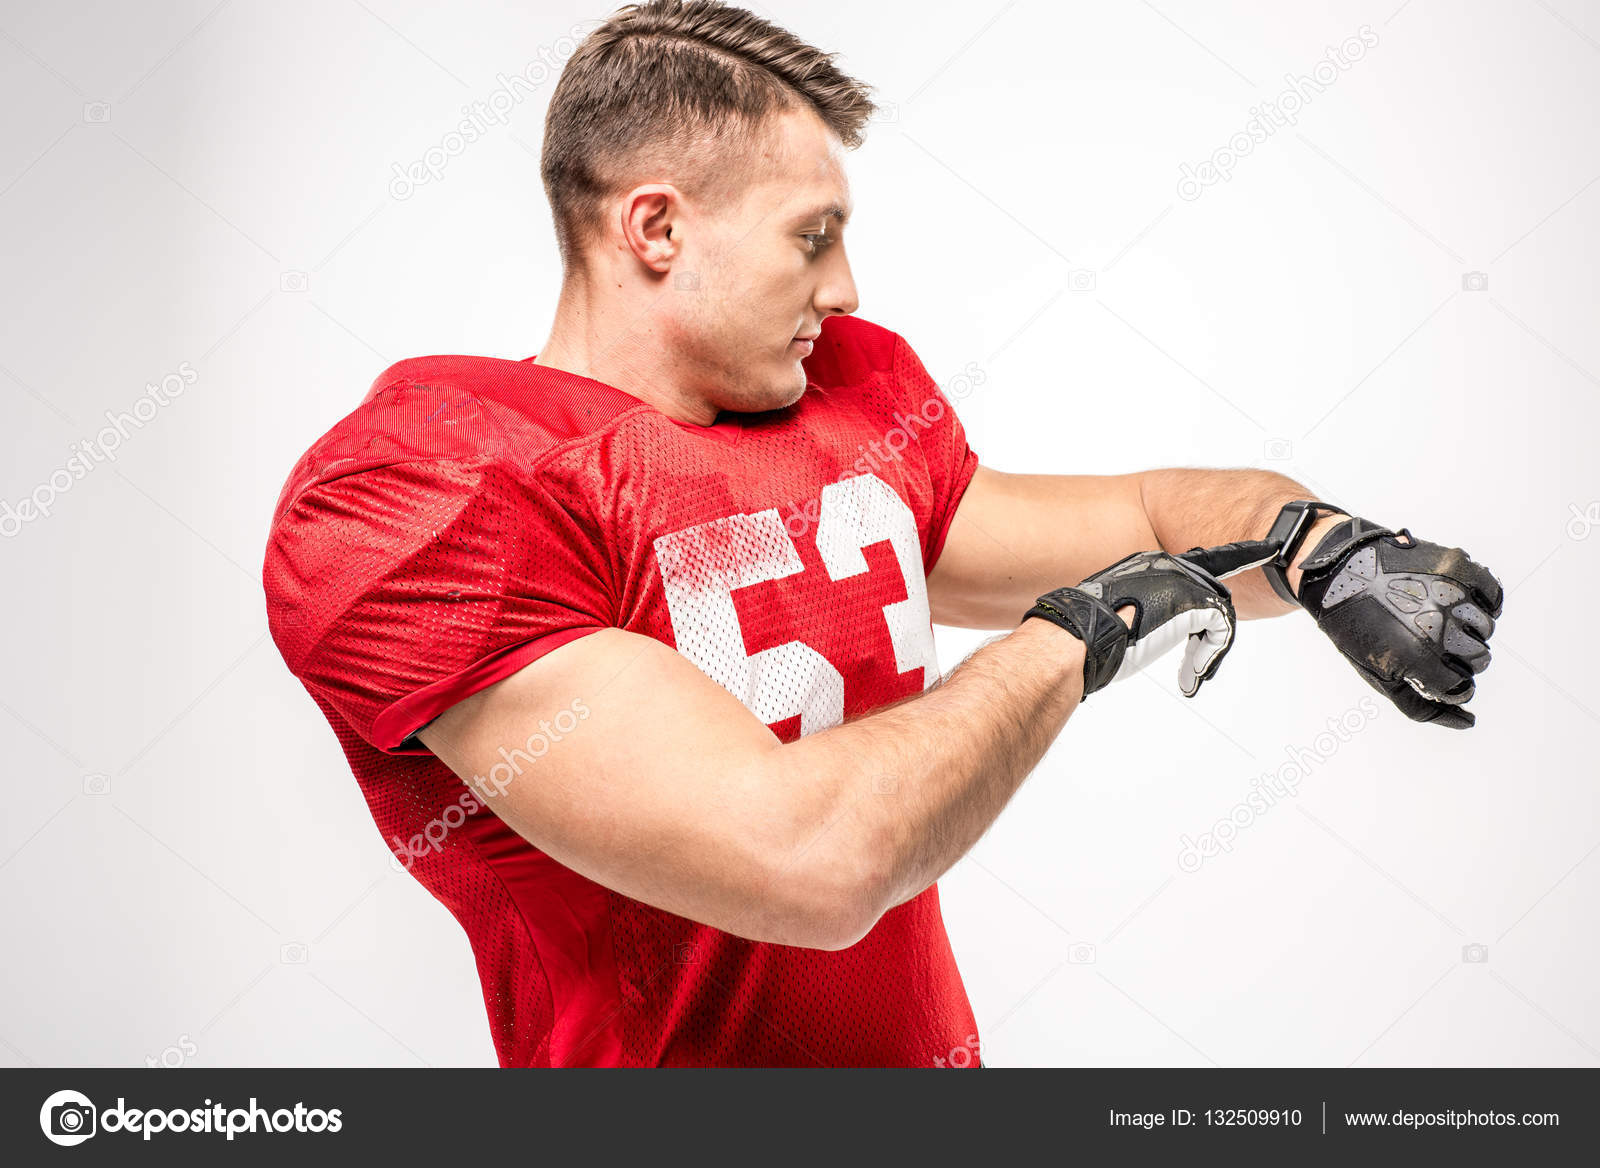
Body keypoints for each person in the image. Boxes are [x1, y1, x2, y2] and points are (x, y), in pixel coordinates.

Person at [262, 0, 1504, 1067]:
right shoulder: (424, 488)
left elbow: (1143, 516)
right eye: (812, 235)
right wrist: (1080, 636)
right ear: (655, 229)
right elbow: (807, 859)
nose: (846, 286)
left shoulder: (845, 394)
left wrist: (1325, 548)